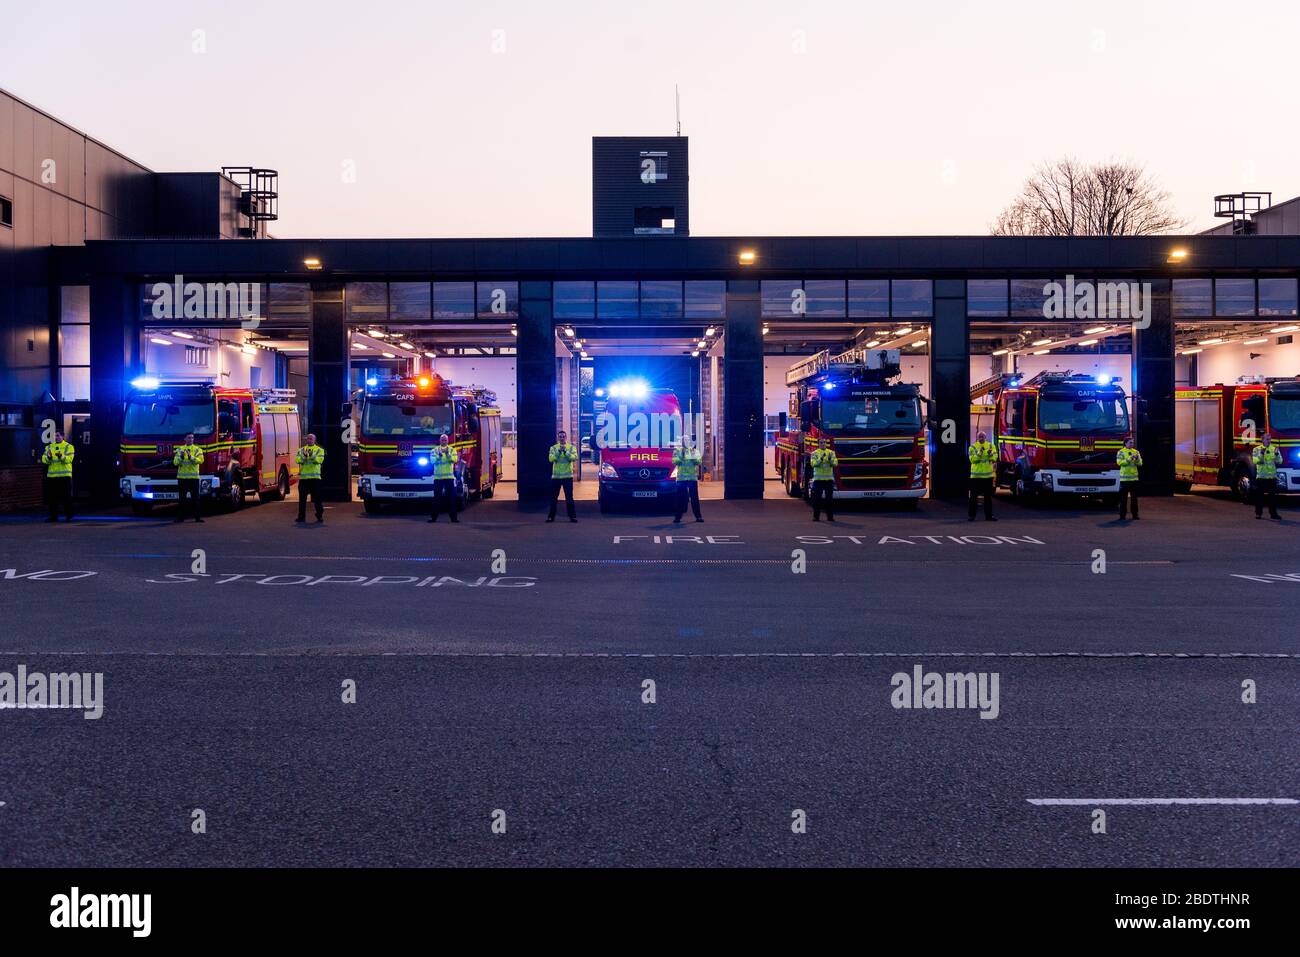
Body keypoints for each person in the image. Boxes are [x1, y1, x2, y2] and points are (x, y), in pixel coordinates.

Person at [40, 430, 76, 523]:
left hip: (64, 476)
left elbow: (69, 460)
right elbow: (44, 460)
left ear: (63, 436)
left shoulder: (69, 447)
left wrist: (61, 456)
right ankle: (53, 517)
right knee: (52, 498)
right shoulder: (49, 447)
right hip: (52, 477)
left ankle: (69, 516)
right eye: (55, 436)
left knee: (66, 497)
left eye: (58, 435)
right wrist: (49, 458)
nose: (56, 437)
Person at [428, 433, 461, 523]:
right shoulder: (435, 450)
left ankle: (454, 518)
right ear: (440, 441)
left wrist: (447, 454)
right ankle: (433, 518)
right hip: (438, 478)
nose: (444, 441)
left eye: (445, 440)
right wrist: (439, 456)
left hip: (449, 477)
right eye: (442, 440)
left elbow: (454, 460)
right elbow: (432, 461)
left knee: (451, 498)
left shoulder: (452, 450)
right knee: (436, 498)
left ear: (448, 441)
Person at [547, 430, 579, 523]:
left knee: (569, 498)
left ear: (566, 437)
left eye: (563, 436)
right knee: (553, 498)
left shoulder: (571, 447)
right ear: (558, 437)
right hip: (556, 477)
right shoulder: (553, 448)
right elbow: (551, 459)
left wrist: (565, 452)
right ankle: (551, 517)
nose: (561, 438)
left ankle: (572, 517)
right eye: (560, 436)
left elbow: (574, 458)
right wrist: (558, 452)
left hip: (567, 476)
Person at [172, 433, 205, 523]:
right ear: (185, 439)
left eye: (192, 438)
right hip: (182, 478)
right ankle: (181, 518)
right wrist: (181, 458)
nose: (191, 439)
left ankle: (197, 518)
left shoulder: (197, 449)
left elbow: (201, 460)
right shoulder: (180, 450)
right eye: (189, 438)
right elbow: (175, 462)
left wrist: (191, 457)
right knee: (182, 499)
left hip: (194, 478)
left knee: (195, 499)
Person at [968, 430, 998, 522]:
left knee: (988, 498)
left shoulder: (991, 446)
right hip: (976, 477)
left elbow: (995, 457)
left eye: (982, 437)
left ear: (985, 438)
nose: (981, 438)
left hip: (988, 476)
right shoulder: (972, 447)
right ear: (977, 438)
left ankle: (989, 516)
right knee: (973, 497)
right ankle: (971, 516)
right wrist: (980, 453)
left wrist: (990, 454)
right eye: (979, 437)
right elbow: (972, 460)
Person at [296, 433, 326, 524]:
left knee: (317, 499)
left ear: (314, 440)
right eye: (308, 438)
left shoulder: (319, 450)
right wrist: (305, 457)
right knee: (302, 499)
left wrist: (310, 456)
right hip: (304, 478)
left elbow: (319, 460)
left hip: (315, 478)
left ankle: (319, 515)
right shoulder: (301, 450)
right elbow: (297, 460)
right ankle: (301, 517)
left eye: (311, 438)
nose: (309, 440)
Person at [1252, 435, 1283, 520]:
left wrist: (1277, 454)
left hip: (1272, 477)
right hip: (1261, 477)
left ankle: (1273, 514)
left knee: (1272, 497)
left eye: (1270, 439)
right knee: (1259, 497)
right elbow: (1256, 461)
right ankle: (1258, 513)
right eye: (1267, 439)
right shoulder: (1256, 449)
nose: (1269, 441)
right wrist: (1262, 453)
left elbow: (1280, 461)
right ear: (1262, 440)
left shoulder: (1274, 449)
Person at [672, 441, 704, 523]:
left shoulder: (694, 451)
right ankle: (678, 517)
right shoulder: (677, 451)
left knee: (694, 498)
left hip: (692, 478)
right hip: (681, 479)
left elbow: (699, 461)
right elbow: (674, 461)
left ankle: (698, 516)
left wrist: (693, 456)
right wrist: (681, 456)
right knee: (680, 499)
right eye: (684, 441)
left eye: (687, 441)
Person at [809, 437, 838, 522]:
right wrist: (821, 459)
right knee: (817, 499)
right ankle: (816, 517)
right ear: (818, 444)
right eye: (821, 443)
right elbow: (813, 464)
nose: (823, 444)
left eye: (824, 442)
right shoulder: (814, 453)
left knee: (829, 500)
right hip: (818, 480)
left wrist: (830, 461)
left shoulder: (831, 453)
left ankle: (830, 517)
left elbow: (835, 463)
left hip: (829, 480)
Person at [1116, 437, 1143, 521]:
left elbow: (1140, 464)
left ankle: (1135, 515)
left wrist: (1137, 458)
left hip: (1134, 479)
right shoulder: (1121, 452)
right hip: (1124, 480)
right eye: (1130, 442)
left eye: (1133, 442)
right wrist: (1129, 459)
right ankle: (1122, 516)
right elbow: (1119, 463)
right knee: (1123, 500)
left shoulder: (1136, 452)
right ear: (1125, 443)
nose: (1132, 444)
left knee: (1134, 499)